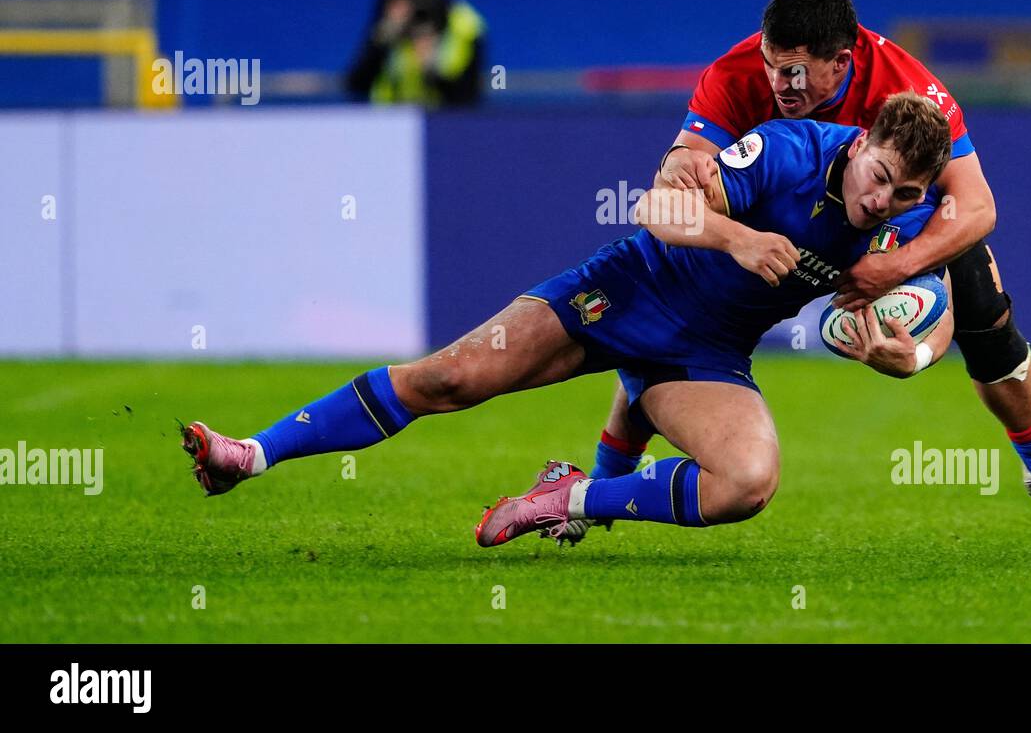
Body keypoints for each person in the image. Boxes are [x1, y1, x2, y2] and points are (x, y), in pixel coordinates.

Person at [180, 94, 969, 544]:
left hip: (702, 355)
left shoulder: (905, 224)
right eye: (877, 178)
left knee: (749, 483)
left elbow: (947, 302)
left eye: (904, 194)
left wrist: (914, 359)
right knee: (449, 377)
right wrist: (739, 237)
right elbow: (657, 207)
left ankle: (569, 495)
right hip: (626, 291)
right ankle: (250, 454)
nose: (881, 202)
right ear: (861, 143)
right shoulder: (789, 153)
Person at [568, 0, 1031, 544]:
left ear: (842, 62)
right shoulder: (740, 72)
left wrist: (896, 270)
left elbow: (975, 206)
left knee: (976, 280)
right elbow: (676, 182)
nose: (780, 83)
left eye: (796, 71)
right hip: (766, 218)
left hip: (872, 233)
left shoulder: (905, 89)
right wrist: (680, 165)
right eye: (773, 65)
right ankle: (603, 480)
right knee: (680, 303)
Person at [345, 0, 486, 107]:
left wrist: (431, 67)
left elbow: (469, 98)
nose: (417, 12)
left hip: (446, 122)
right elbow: (356, 86)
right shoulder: (387, 24)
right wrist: (381, 43)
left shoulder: (464, 26)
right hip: (390, 121)